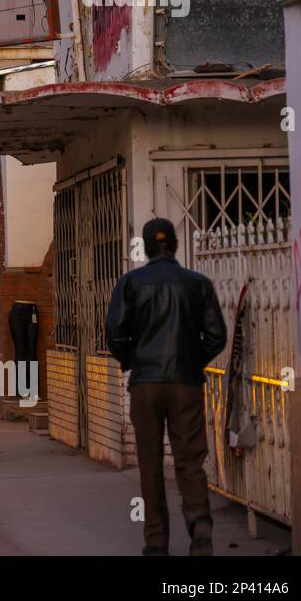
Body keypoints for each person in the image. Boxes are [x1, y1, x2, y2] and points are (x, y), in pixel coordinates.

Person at [106, 217, 227, 556]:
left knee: (150, 461)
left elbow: (115, 334)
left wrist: (134, 360)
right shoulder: (197, 284)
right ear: (174, 244)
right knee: (190, 460)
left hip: (146, 385)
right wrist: (191, 360)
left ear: (145, 248)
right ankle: (201, 530)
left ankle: (156, 541)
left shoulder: (130, 284)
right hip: (185, 384)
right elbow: (217, 335)